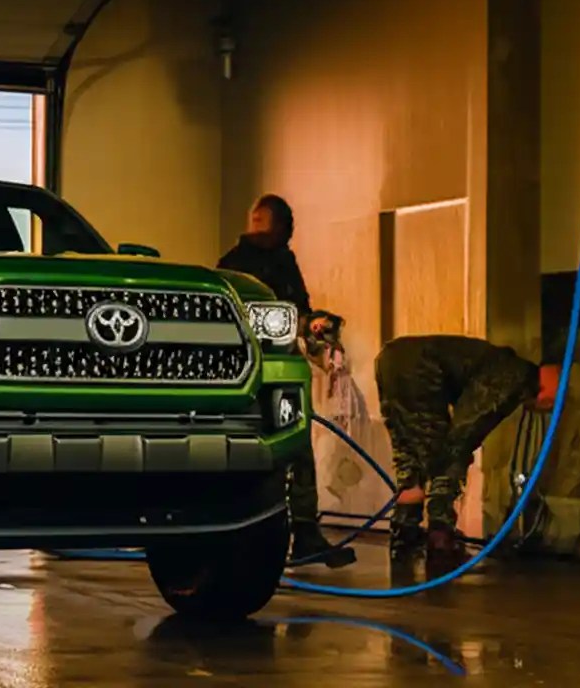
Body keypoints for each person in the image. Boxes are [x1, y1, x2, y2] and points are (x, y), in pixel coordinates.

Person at [217, 194, 353, 568]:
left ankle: (297, 532)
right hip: (267, 373)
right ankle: (288, 530)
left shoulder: (233, 265)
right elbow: (296, 314)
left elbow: (301, 315)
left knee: (290, 449)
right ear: (278, 226)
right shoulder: (256, 264)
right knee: (288, 449)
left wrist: (320, 330)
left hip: (253, 374)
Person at [374, 335, 560, 571]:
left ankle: (404, 537)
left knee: (409, 451)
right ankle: (439, 541)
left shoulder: (505, 369)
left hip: (391, 357)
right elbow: (463, 432)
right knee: (448, 449)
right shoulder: (511, 377)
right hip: (420, 368)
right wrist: (454, 466)